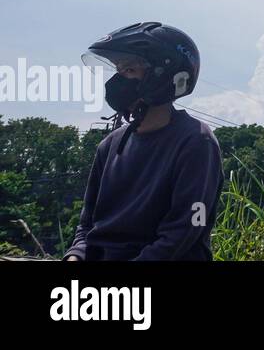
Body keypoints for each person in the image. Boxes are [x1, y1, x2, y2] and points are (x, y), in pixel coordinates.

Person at [65, 22, 223, 261]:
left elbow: (188, 228)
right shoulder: (109, 146)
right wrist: (75, 256)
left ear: (162, 76)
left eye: (129, 70)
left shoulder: (197, 143)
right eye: (118, 71)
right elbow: (87, 225)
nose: (117, 82)